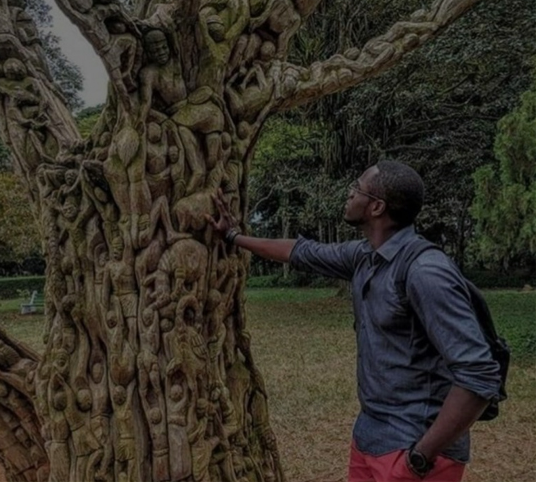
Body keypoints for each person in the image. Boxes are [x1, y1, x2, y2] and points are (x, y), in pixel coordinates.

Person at [209, 161, 502, 481]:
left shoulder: (425, 272)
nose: (349, 194)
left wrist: (420, 456)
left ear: (377, 207)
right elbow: (302, 252)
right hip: (371, 437)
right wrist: (234, 236)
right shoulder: (365, 255)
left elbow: (478, 376)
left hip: (413, 448)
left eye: (357, 188)